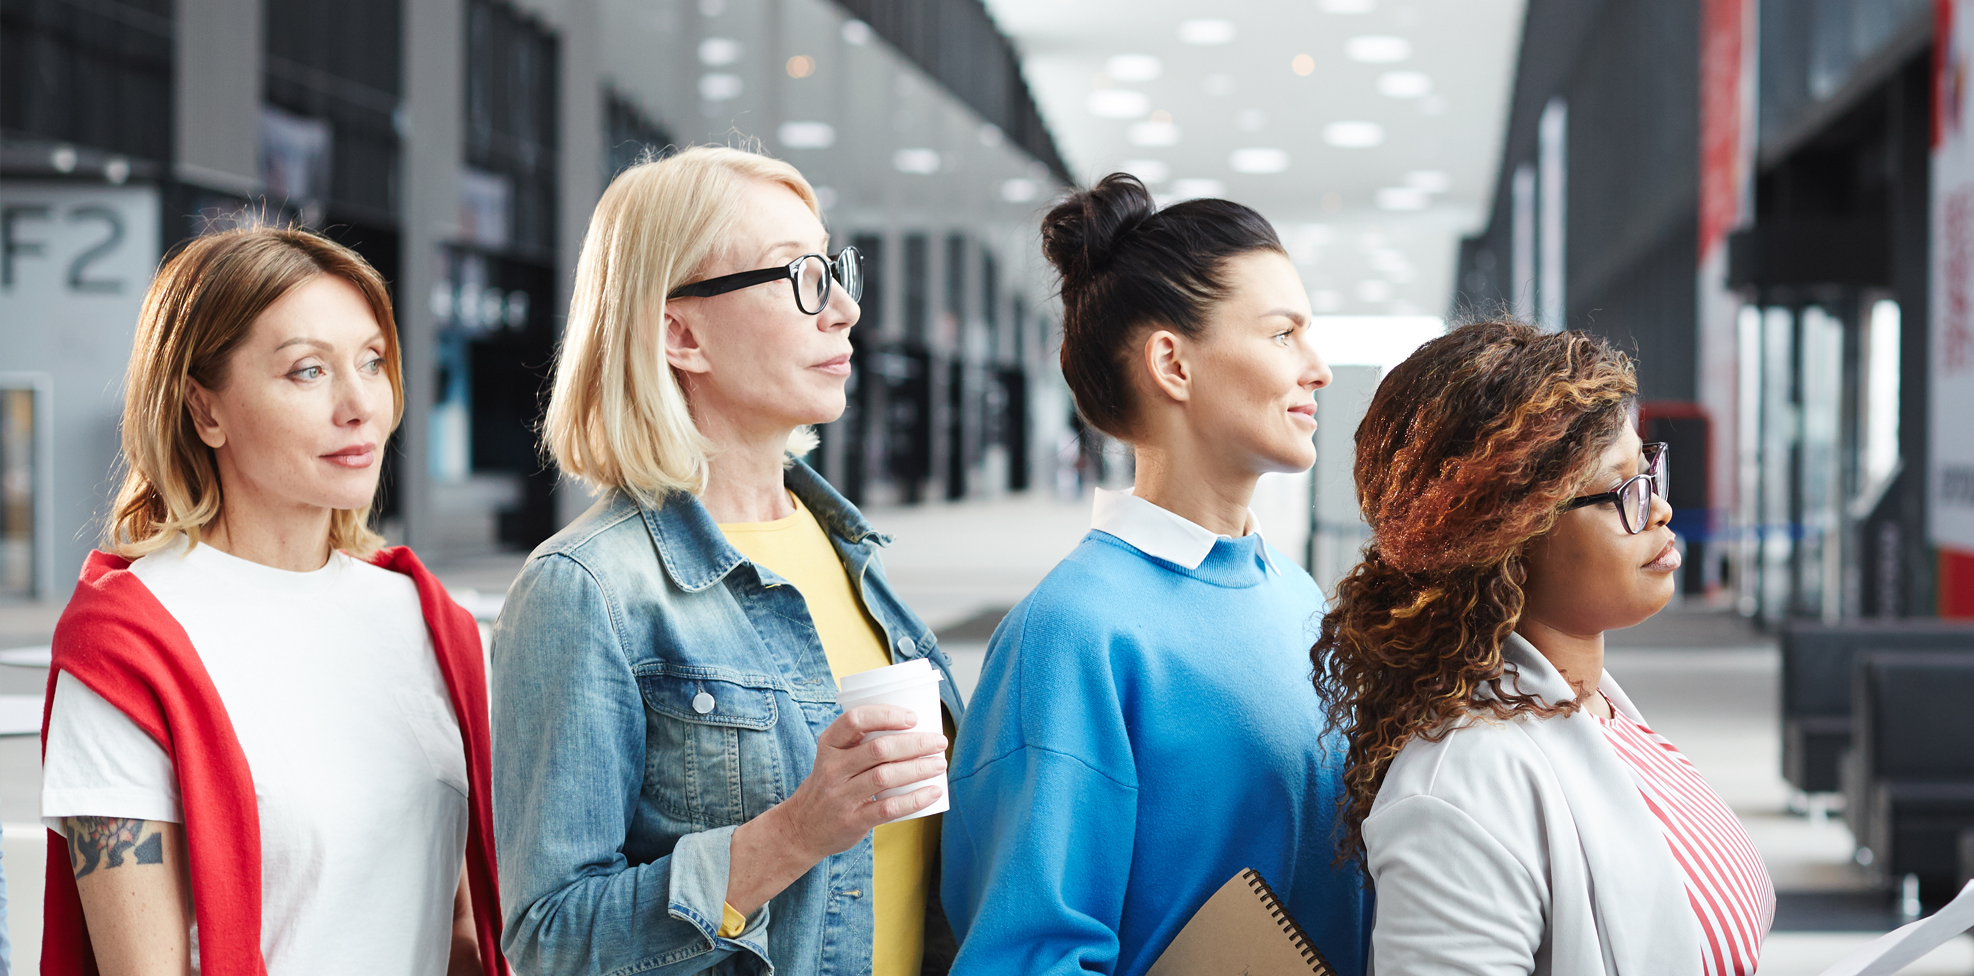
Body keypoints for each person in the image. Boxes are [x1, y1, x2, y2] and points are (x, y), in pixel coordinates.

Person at [494, 146, 959, 976]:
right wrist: (794, 833)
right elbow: (550, 941)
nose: (845, 308)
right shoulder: (588, 589)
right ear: (680, 333)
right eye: (800, 276)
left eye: (835, 269)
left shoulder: (849, 551)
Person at [38, 225, 503, 975]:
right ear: (205, 411)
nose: (360, 404)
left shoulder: (428, 621)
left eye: (372, 361)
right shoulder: (127, 648)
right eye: (307, 371)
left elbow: (457, 935)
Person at [941, 173, 1366, 974]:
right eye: (1283, 334)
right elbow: (1027, 955)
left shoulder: (1297, 594)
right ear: (1172, 363)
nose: (1318, 369)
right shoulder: (1071, 633)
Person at [1311, 321, 1773, 976]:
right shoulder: (1463, 788)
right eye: (1622, 492)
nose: (1660, 509)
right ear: (1510, 537)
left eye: (1649, 472)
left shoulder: (1597, 711)